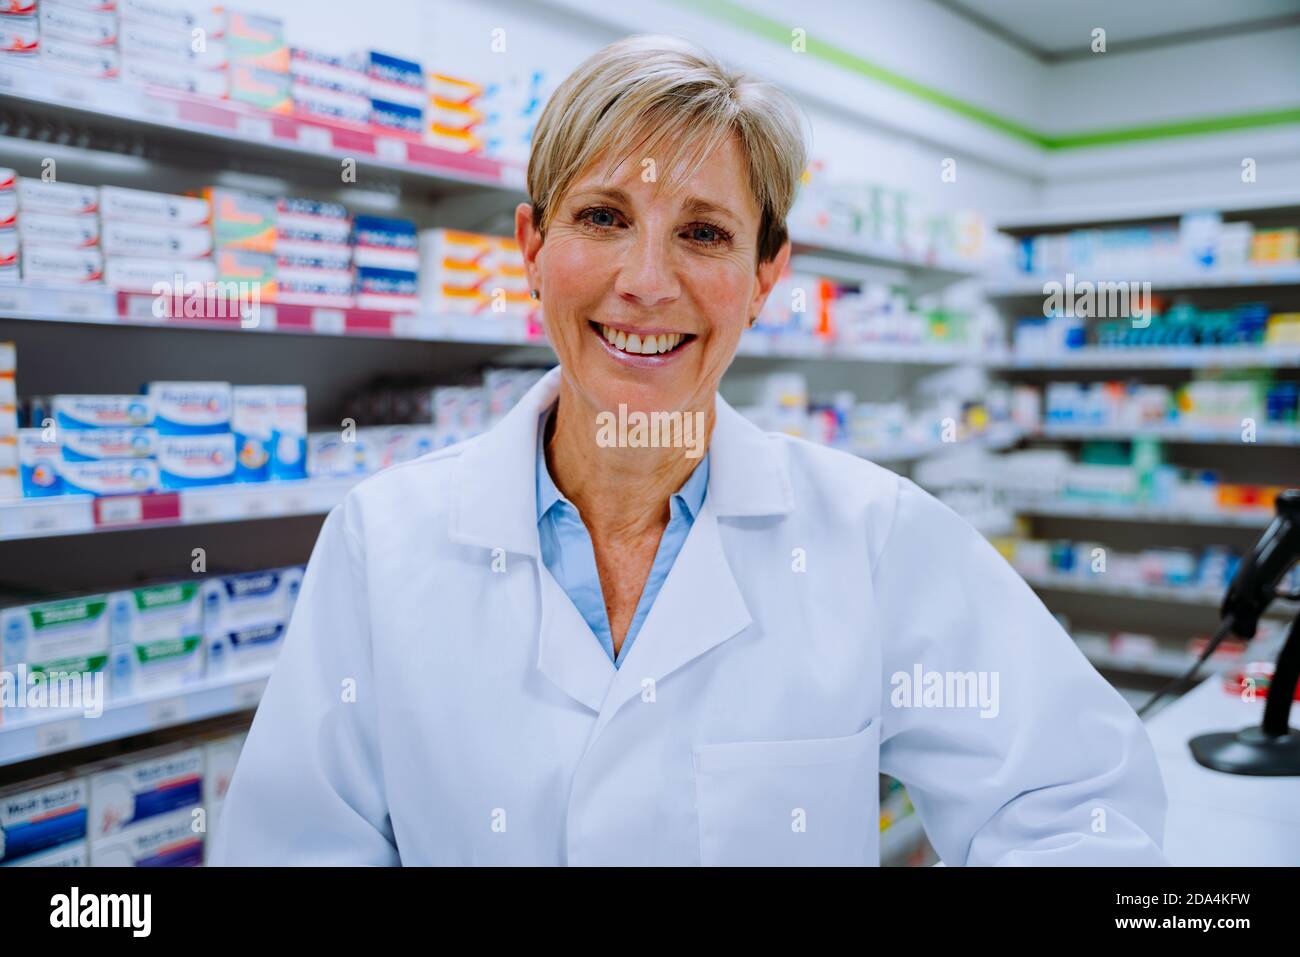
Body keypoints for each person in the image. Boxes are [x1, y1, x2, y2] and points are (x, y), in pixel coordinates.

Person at [212, 35, 1167, 866]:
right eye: (603, 217)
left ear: (764, 277)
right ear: (531, 247)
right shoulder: (384, 542)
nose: (646, 282)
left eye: (703, 233)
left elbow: (1076, 806)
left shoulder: (876, 539)